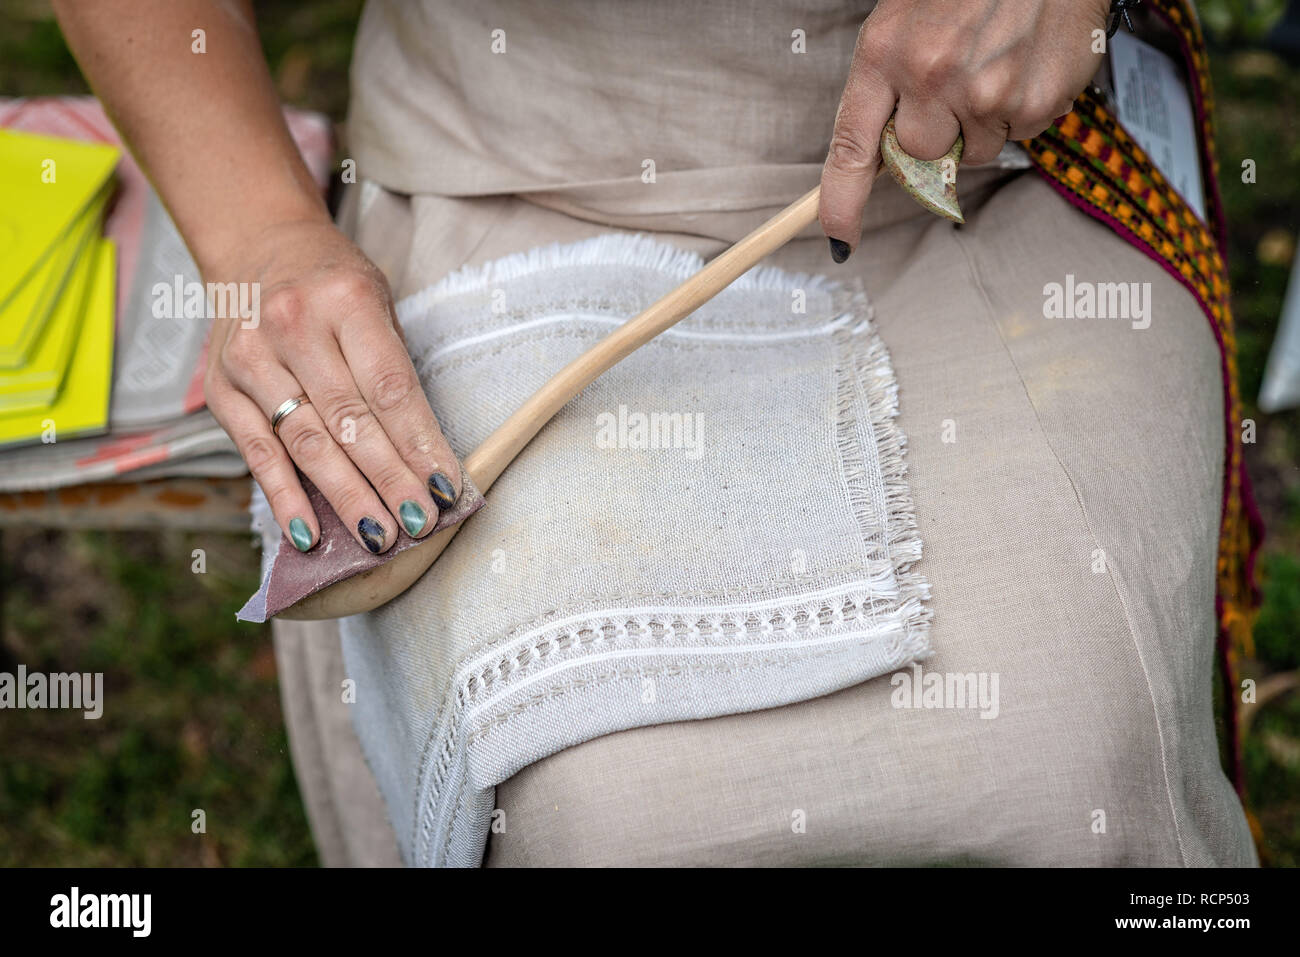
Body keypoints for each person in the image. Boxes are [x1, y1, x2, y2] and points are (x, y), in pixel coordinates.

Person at [54, 0, 1257, 866]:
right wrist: (262, 236)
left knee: (1072, 770)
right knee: (602, 812)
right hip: (506, 176)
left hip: (984, 155)